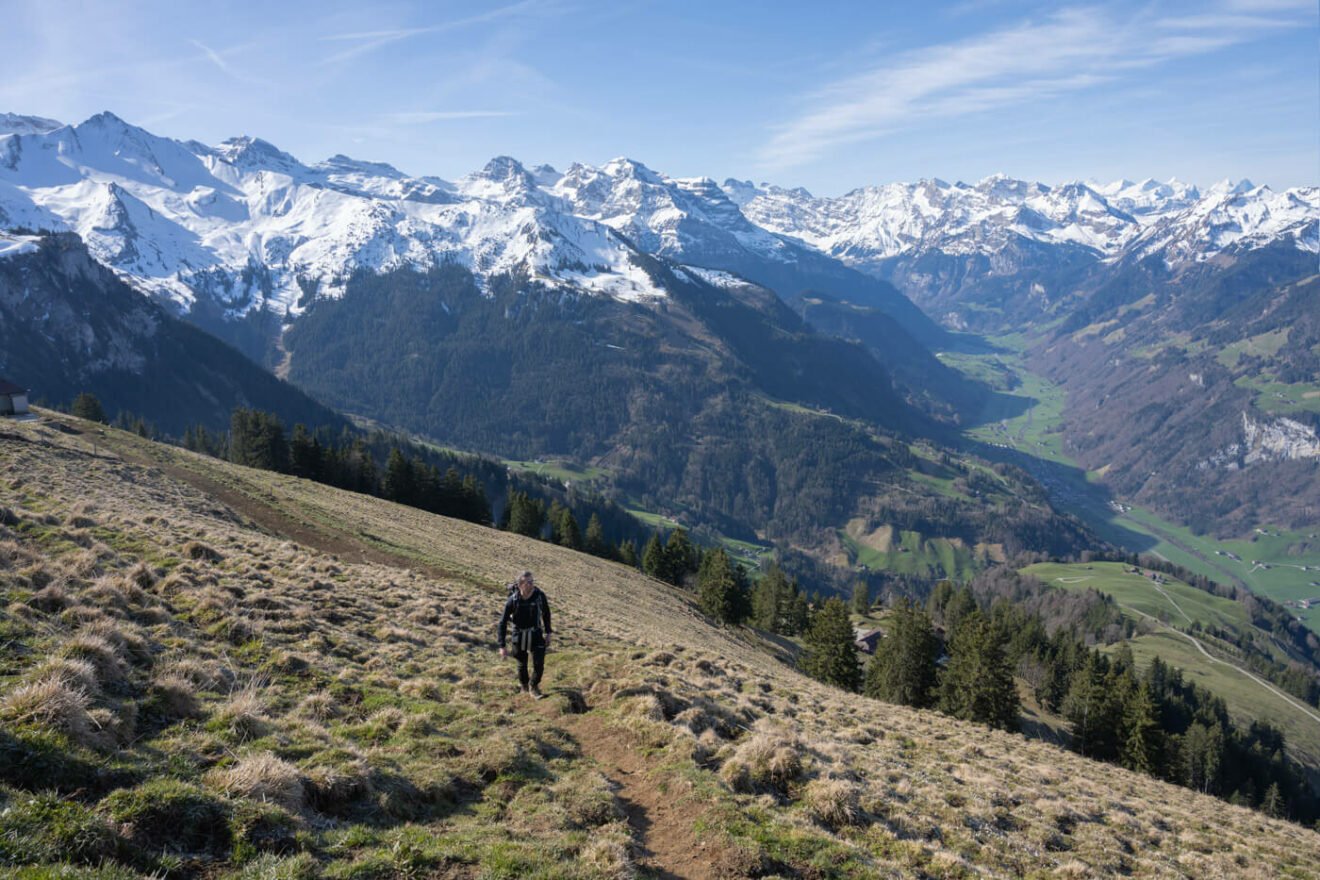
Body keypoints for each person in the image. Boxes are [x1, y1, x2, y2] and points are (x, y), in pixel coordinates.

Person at [498, 570, 552, 698]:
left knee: (539, 663)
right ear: (521, 584)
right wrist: (502, 646)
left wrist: (549, 632)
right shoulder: (513, 600)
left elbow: (546, 613)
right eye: (529, 582)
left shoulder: (539, 596)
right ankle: (524, 686)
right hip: (519, 634)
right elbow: (502, 622)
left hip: (536, 633)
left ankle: (534, 686)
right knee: (522, 663)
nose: (532, 584)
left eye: (533, 581)